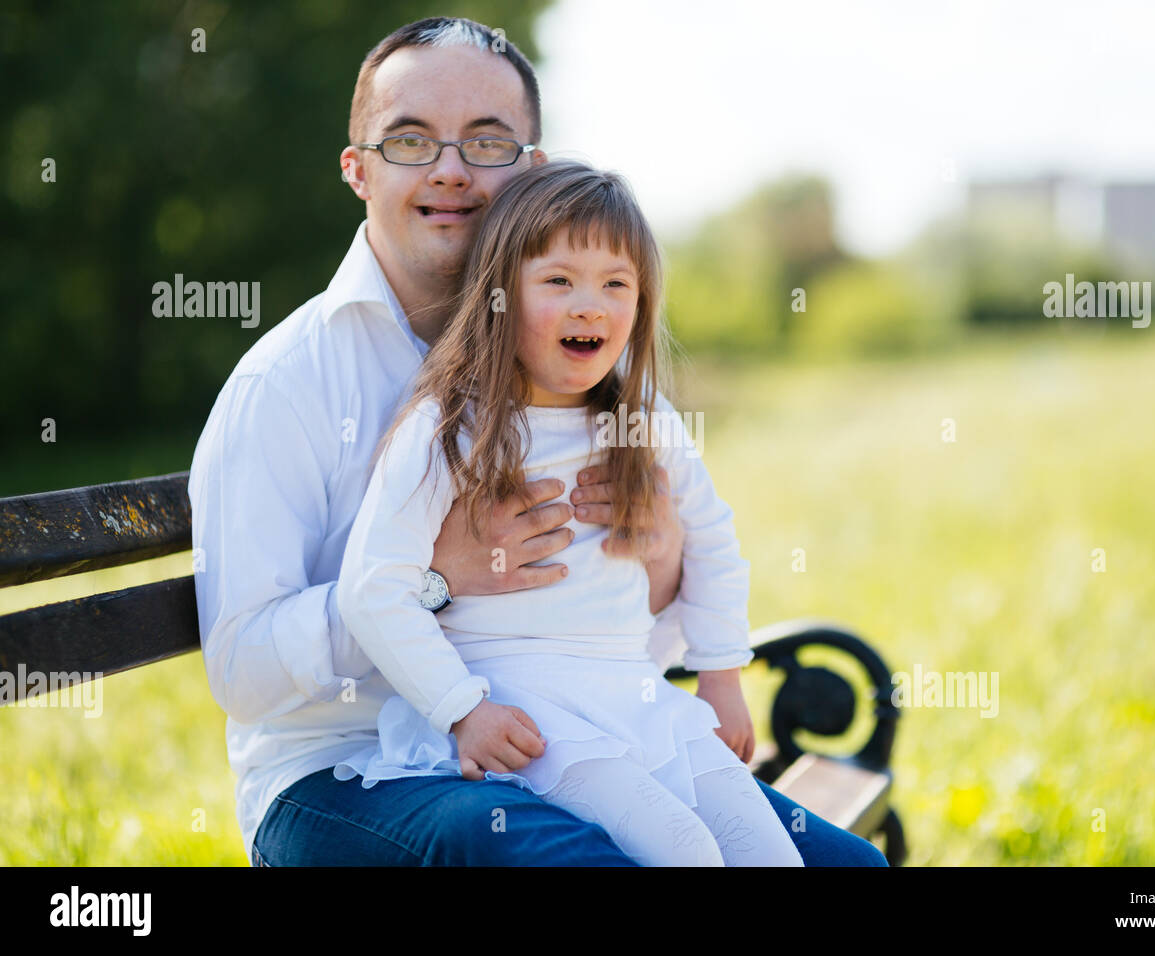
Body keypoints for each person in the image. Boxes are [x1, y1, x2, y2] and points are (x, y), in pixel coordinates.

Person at [188, 14, 888, 867]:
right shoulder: (288, 383)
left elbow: (596, 631)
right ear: (358, 169)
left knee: (845, 866)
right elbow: (240, 672)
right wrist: (441, 579)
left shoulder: (577, 367)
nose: (449, 169)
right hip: (346, 771)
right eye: (410, 140)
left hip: (579, 729)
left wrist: (660, 565)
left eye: (485, 142)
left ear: (532, 171)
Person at [332, 160, 804, 866]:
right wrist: (463, 708)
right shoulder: (447, 426)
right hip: (523, 711)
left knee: (770, 855)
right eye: (558, 282)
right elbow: (373, 588)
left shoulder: (643, 419)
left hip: (636, 696)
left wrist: (721, 675)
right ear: (500, 295)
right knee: (684, 851)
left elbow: (713, 537)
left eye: (616, 285)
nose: (591, 306)